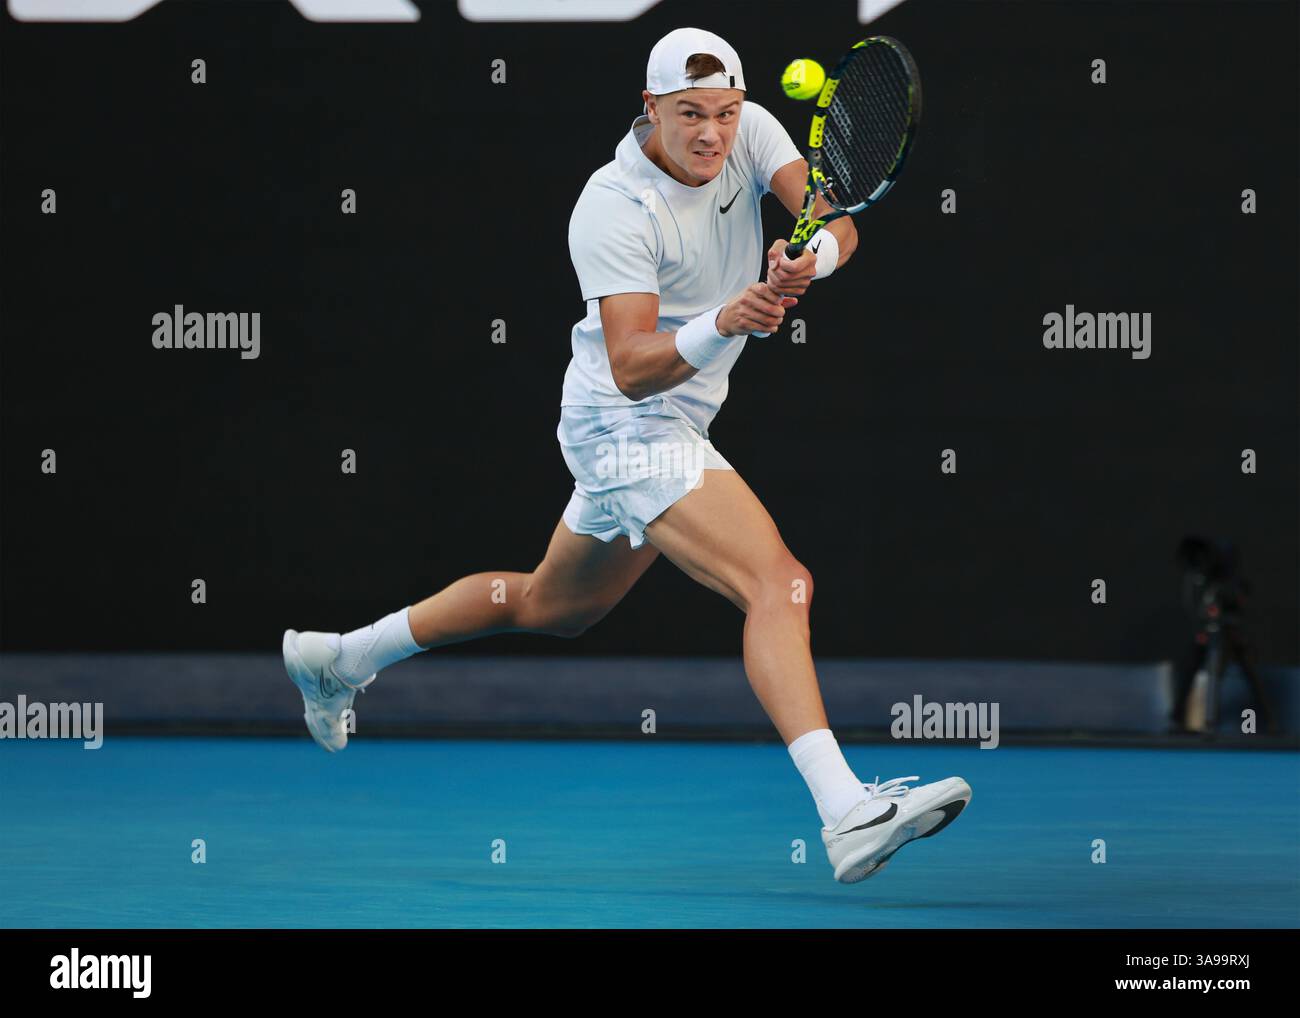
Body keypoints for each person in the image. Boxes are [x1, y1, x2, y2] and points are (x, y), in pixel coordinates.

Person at [283, 26, 970, 883]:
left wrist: (809, 259)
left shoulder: (750, 128)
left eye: (725, 112)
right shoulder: (613, 205)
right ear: (650, 109)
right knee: (779, 582)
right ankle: (846, 812)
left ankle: (338, 658)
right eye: (690, 115)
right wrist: (728, 317)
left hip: (674, 421)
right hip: (625, 424)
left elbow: (832, 220)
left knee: (547, 603)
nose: (714, 134)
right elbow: (635, 369)